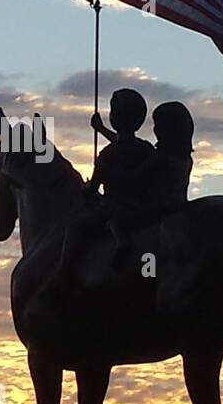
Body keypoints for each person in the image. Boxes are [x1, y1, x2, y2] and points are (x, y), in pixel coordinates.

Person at [56, 88, 152, 286]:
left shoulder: (108, 154)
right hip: (143, 208)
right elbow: (125, 144)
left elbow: (93, 189)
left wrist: (85, 190)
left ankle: (65, 274)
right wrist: (100, 130)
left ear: (115, 117)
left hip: (114, 209)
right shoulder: (146, 148)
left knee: (75, 227)